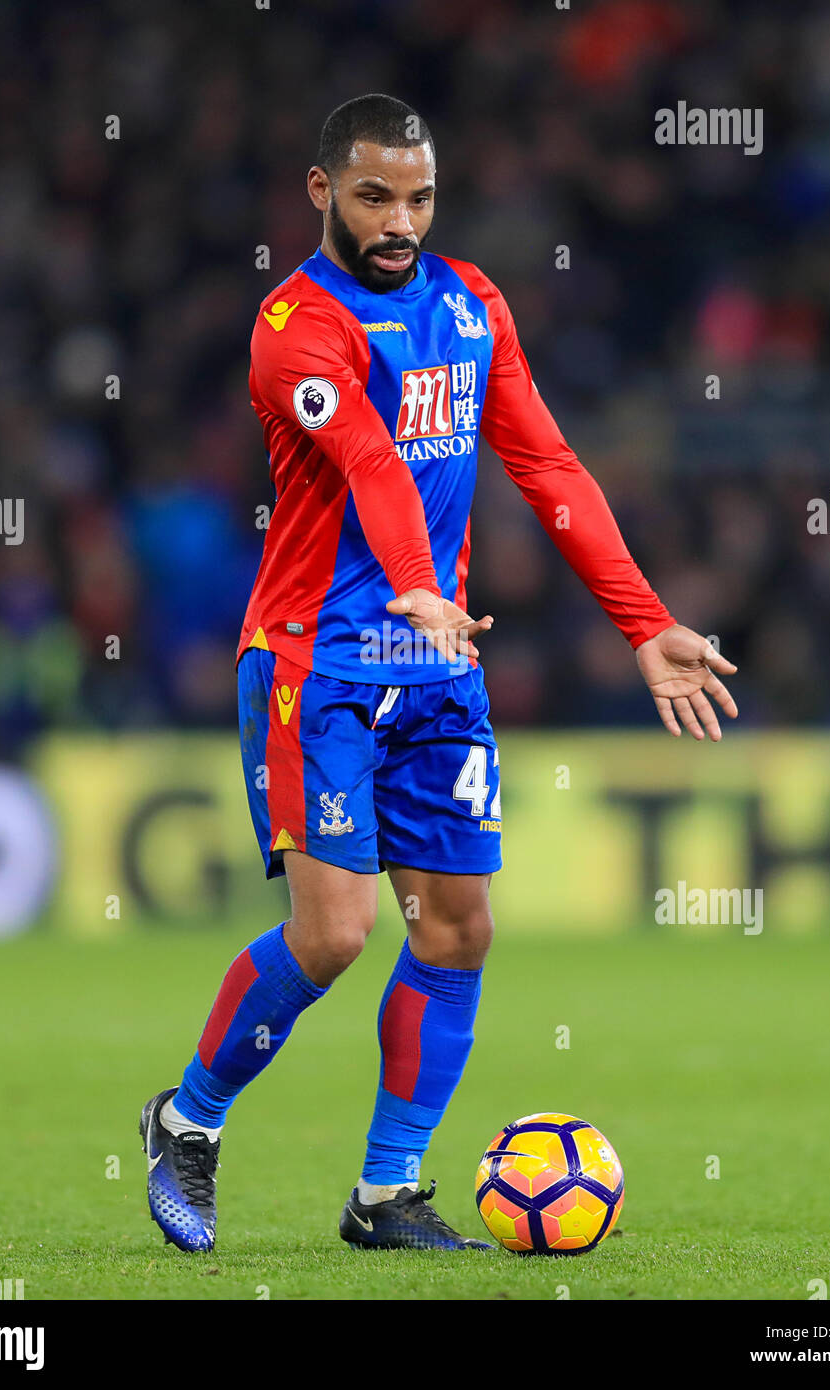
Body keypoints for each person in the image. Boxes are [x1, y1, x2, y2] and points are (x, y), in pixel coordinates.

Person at [140, 93, 737, 1253]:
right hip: (318, 666)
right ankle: (186, 1119)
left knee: (458, 928)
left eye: (417, 195)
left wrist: (642, 622)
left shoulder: (473, 305)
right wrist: (417, 576)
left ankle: (386, 1195)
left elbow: (545, 462)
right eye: (373, 195)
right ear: (323, 193)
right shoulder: (292, 330)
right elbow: (366, 453)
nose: (399, 217)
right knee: (333, 934)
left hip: (440, 661)